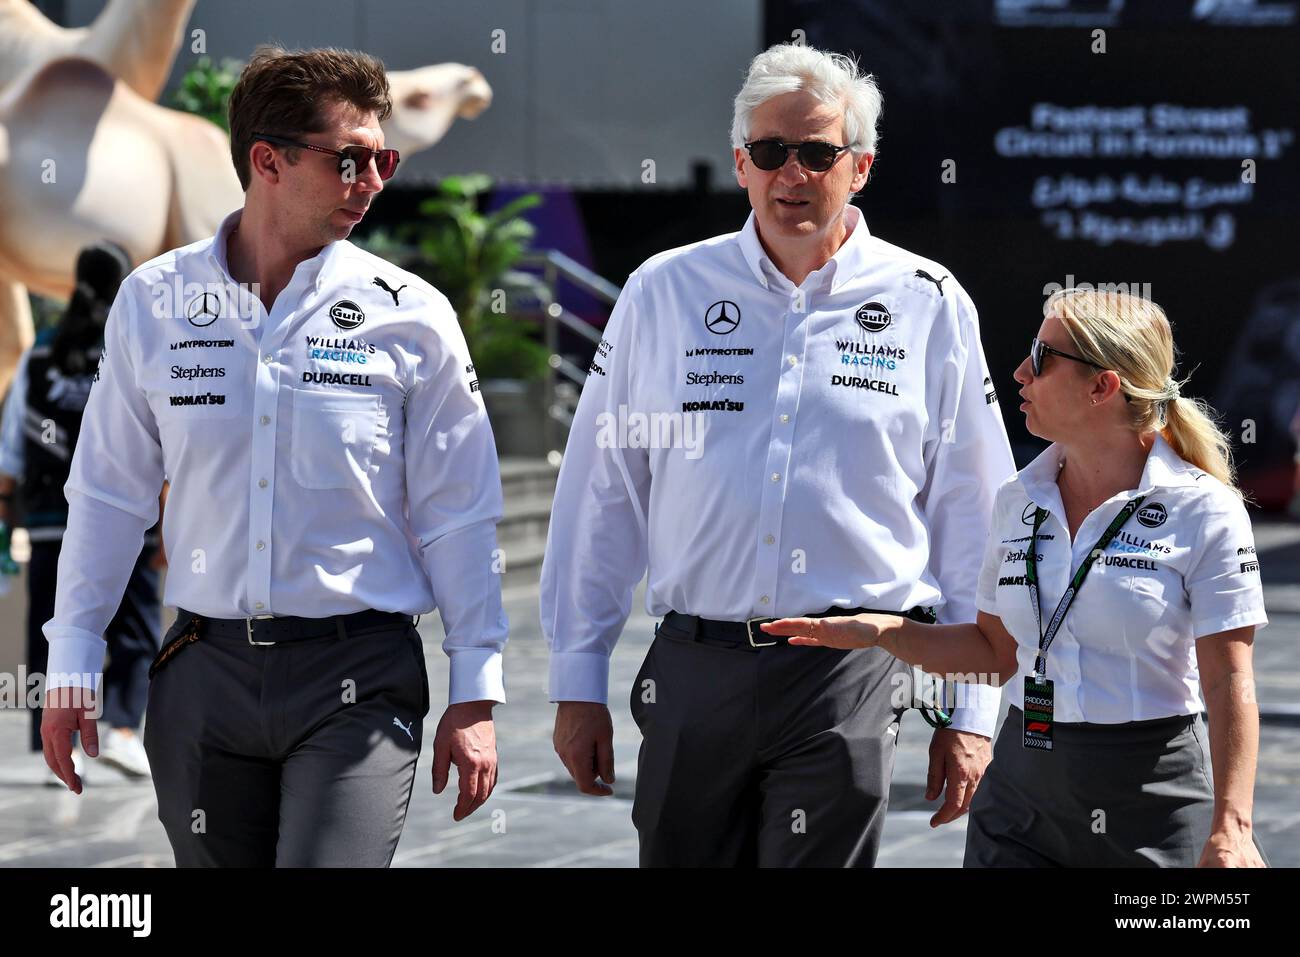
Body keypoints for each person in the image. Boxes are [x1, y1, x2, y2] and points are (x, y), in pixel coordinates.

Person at [540, 43, 1015, 867]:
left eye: (819, 153)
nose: (792, 174)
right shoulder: (663, 290)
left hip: (851, 672)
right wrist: (577, 679)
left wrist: (971, 711)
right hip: (693, 669)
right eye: (769, 152)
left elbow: (975, 510)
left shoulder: (927, 302)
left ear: (860, 167)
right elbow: (602, 492)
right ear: (740, 163)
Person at [40, 46, 508, 867]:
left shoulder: (414, 316)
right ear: (268, 161)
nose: (375, 181)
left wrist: (476, 690)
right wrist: (72, 657)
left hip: (358, 679)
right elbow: (109, 495)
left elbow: (459, 513)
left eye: (384, 159)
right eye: (352, 160)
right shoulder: (155, 302)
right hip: (201, 676)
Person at [762, 287, 1270, 868]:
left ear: (1102, 386)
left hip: (1152, 795)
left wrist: (1232, 826)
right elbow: (993, 652)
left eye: (1043, 356)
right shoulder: (1017, 499)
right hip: (1022, 796)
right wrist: (883, 632)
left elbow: (1229, 678)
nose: (1021, 371)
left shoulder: (1203, 509)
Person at [0, 241, 163, 783]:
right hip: (127, 520)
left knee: (55, 627)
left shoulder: (42, 353)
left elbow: (10, 446)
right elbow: (162, 439)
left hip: (50, 521)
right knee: (135, 623)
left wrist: (7, 510)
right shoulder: (129, 349)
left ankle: (58, 741)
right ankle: (118, 727)